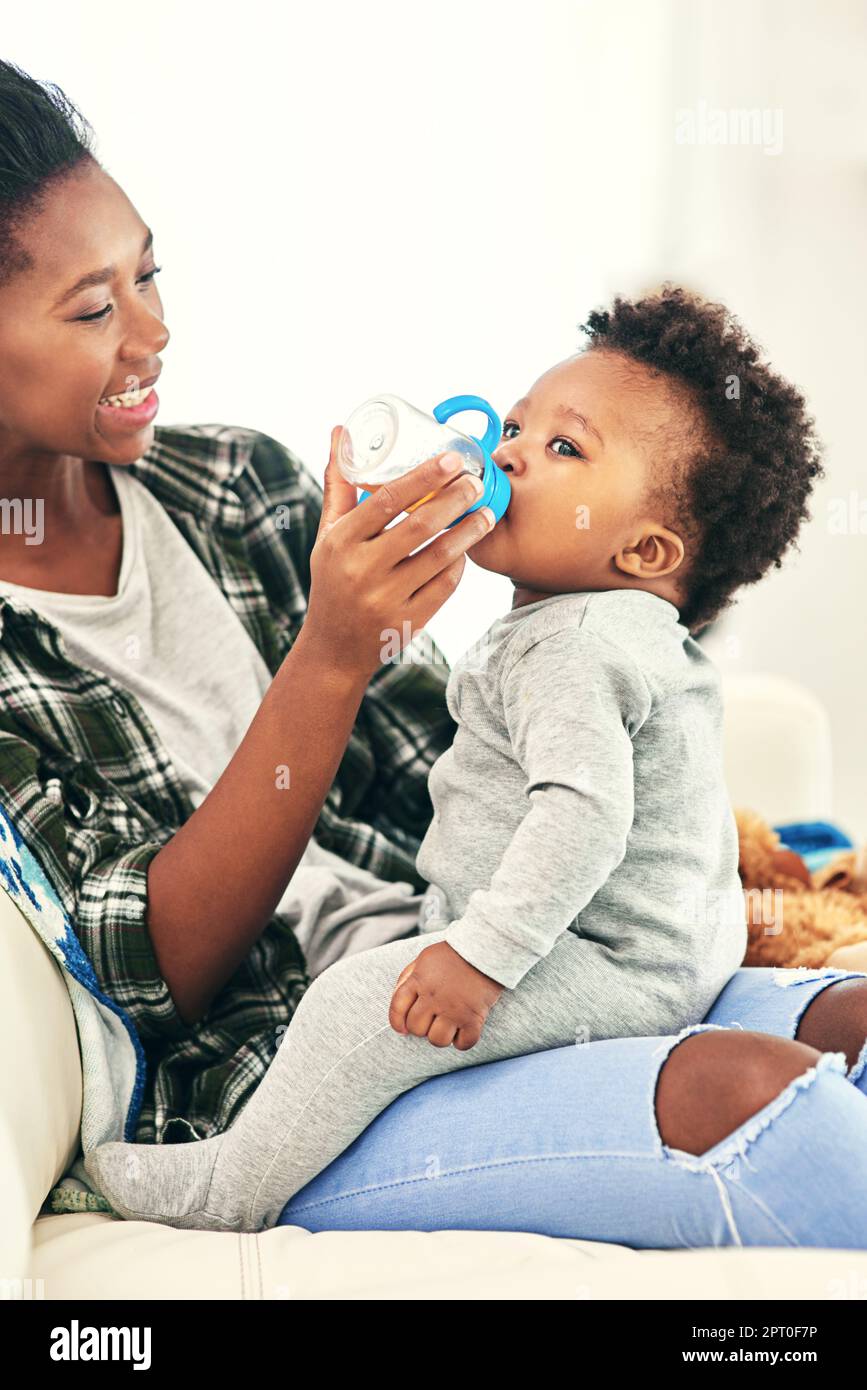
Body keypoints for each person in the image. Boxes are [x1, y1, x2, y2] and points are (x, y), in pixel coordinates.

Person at [2, 61, 867, 1248]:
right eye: (95, 308)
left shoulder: (232, 486)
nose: (157, 332)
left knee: (848, 1016)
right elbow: (156, 970)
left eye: (149, 273)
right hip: (290, 1070)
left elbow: (460, 774)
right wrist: (331, 651)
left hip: (467, 965)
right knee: (750, 1093)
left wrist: (410, 622)